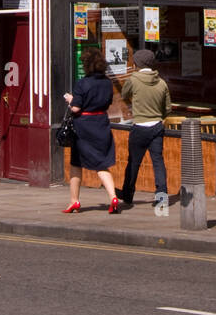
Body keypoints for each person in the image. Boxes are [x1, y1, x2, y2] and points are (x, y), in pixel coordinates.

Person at [61, 49, 120, 214]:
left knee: (77, 163)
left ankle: (74, 201)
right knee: (101, 163)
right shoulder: (108, 82)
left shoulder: (83, 83)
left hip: (84, 126)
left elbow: (76, 108)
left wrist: (71, 100)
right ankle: (113, 197)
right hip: (101, 122)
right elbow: (107, 103)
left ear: (86, 65)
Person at [120, 49, 172, 209]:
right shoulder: (162, 82)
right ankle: (162, 196)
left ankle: (128, 195)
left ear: (136, 64)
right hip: (157, 126)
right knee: (158, 161)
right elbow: (168, 108)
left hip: (140, 126)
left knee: (134, 163)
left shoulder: (133, 80)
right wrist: (159, 116)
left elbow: (124, 94)